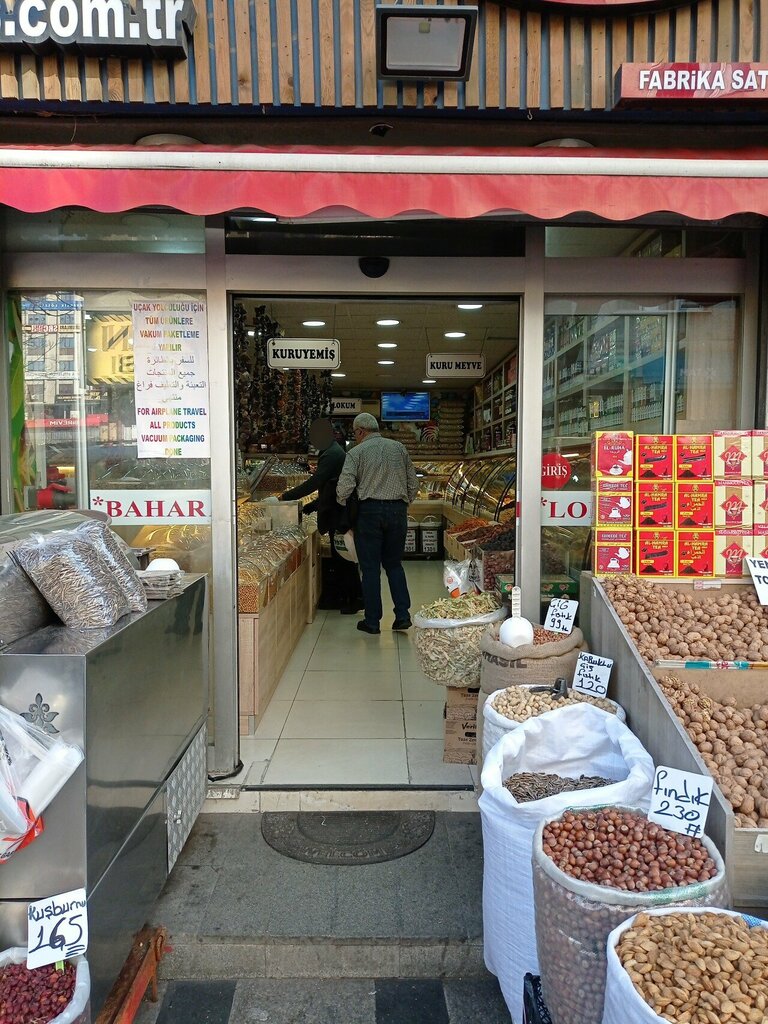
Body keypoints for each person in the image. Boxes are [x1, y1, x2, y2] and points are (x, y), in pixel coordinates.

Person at [336, 412, 418, 635]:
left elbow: (343, 488)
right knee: (394, 565)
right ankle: (402, 616)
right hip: (397, 511)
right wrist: (403, 503)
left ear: (360, 431)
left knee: (370, 568)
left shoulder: (356, 452)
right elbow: (413, 482)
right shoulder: (399, 448)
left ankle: (372, 621)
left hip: (369, 513)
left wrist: (345, 504)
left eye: (355, 433)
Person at [279, 418, 362, 614]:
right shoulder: (332, 451)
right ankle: (348, 598)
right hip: (337, 509)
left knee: (343, 558)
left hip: (338, 513)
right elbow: (329, 487)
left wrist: (286, 497)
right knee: (342, 557)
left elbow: (316, 482)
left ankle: (354, 599)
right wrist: (313, 505)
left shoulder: (332, 454)